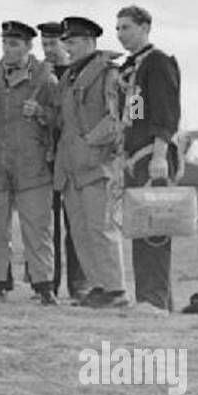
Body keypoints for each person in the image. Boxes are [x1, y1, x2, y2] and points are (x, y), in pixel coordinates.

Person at [0, 21, 59, 304]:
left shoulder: (46, 79)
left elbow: (62, 120)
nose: (8, 49)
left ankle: (44, 285)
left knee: (37, 228)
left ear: (28, 47)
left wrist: (41, 113)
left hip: (32, 166)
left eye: (14, 44)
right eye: (5, 43)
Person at [51, 16, 127, 308]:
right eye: (66, 43)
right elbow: (63, 120)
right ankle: (98, 286)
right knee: (81, 231)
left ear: (89, 42)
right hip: (70, 169)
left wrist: (87, 144)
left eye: (72, 42)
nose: (67, 48)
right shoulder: (69, 79)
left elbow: (116, 119)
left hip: (96, 166)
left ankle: (116, 289)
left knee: (102, 228)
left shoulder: (108, 74)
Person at [115, 5, 182, 314]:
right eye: (118, 28)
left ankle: (153, 299)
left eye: (126, 27)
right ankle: (153, 298)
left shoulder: (158, 63)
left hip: (152, 155)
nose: (120, 34)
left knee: (155, 227)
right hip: (135, 155)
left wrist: (158, 154)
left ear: (144, 28)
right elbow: (136, 113)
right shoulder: (133, 67)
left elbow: (166, 113)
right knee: (141, 226)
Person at [37, 20, 85, 300]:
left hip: (72, 159)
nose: (48, 50)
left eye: (53, 44)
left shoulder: (78, 74)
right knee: (46, 226)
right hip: (44, 160)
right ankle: (48, 285)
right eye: (44, 44)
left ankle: (79, 285)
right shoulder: (37, 75)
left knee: (76, 223)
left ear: (65, 45)